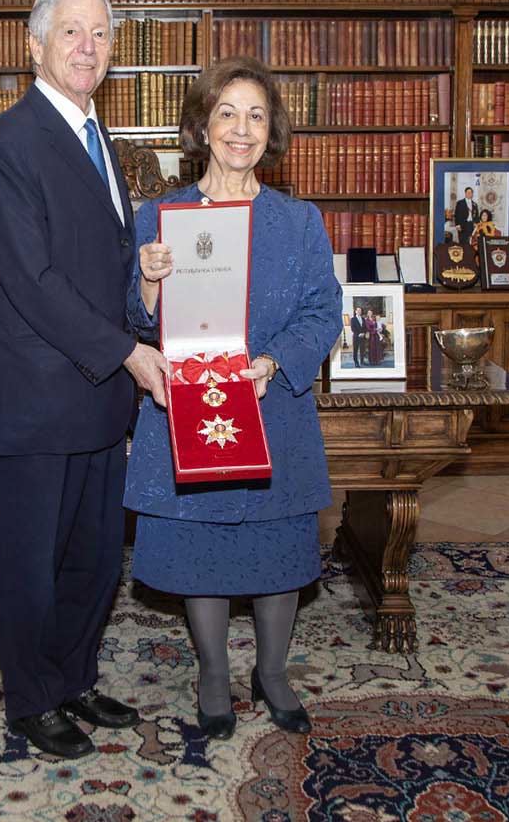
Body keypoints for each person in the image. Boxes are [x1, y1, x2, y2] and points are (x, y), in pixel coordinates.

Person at [0, 0, 168, 760]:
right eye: (70, 33)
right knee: (33, 565)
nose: (87, 47)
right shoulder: (11, 141)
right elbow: (34, 281)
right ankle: (30, 700)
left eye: (100, 34)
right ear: (35, 45)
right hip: (35, 404)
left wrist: (143, 276)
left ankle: (74, 680)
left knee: (92, 559)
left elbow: (97, 261)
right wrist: (128, 350)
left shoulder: (99, 135)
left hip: (97, 399)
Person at [126, 56, 341, 741]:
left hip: (273, 403)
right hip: (189, 412)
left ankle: (273, 671)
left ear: (271, 129)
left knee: (280, 543)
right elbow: (133, 325)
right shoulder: (158, 217)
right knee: (200, 546)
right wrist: (150, 284)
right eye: (227, 113)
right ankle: (214, 671)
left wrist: (274, 363)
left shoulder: (301, 220)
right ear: (203, 125)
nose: (241, 129)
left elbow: (323, 312)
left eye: (255, 114)